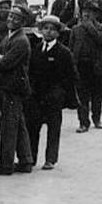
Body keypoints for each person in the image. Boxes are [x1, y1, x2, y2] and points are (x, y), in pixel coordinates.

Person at [27, 15, 80, 169]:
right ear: (41, 30)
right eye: (46, 29)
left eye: (52, 30)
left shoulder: (63, 52)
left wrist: (61, 93)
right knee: (33, 128)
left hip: (54, 97)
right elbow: (30, 72)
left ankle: (50, 159)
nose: (48, 32)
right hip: (37, 95)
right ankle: (31, 157)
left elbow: (71, 76)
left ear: (58, 33)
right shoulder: (36, 49)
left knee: (53, 128)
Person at [0, 6, 35, 175]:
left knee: (8, 126)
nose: (11, 20)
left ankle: (6, 165)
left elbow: (2, 63)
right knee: (19, 124)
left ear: (22, 22)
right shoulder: (10, 37)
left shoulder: (20, 41)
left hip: (12, 87)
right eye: (10, 16)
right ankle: (26, 160)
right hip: (10, 86)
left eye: (16, 18)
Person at [69, 6, 102, 131]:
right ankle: (83, 123)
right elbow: (71, 47)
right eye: (84, 13)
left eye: (90, 13)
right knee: (82, 96)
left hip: (97, 66)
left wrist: (90, 27)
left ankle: (97, 119)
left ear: (95, 15)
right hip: (81, 66)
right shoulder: (76, 29)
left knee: (97, 95)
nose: (86, 15)